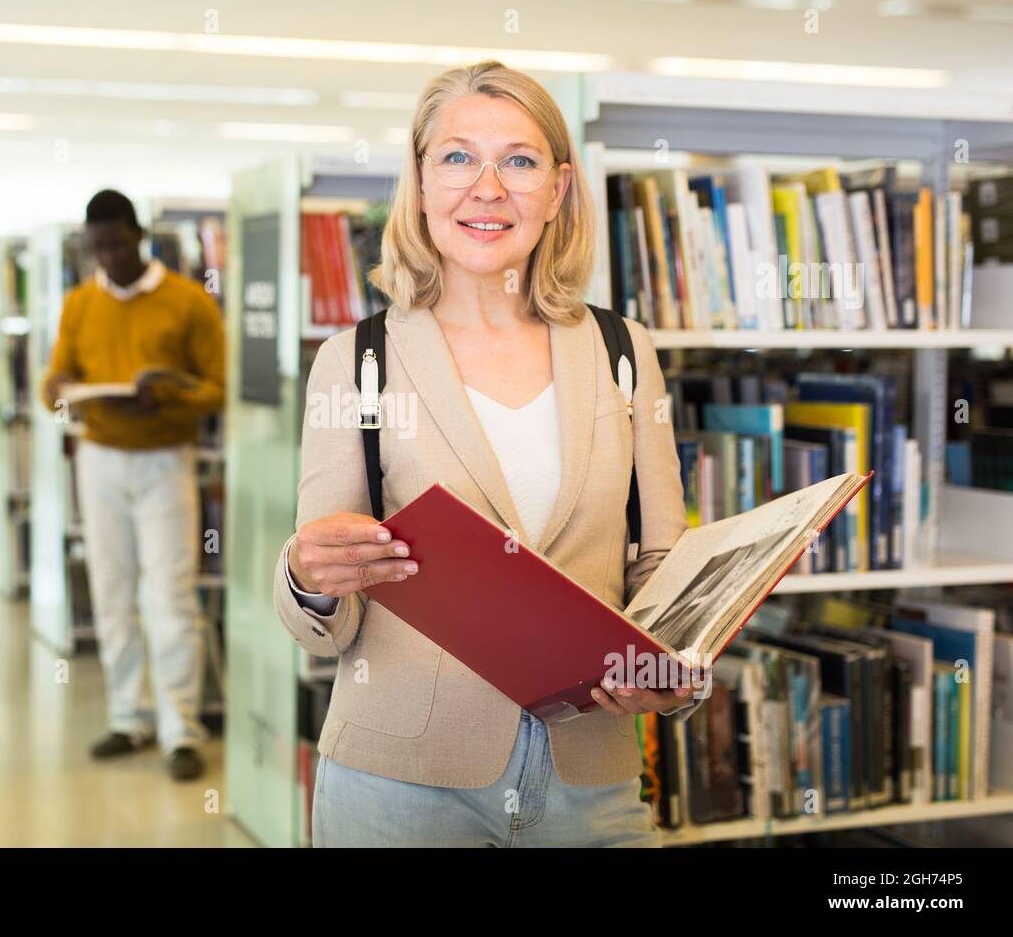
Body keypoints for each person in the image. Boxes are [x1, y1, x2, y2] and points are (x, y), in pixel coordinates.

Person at [275, 61, 705, 847]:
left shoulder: (623, 351)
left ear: (559, 188)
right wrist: (309, 579)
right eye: (457, 157)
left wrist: (665, 680)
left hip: (593, 777)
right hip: (400, 783)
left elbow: (661, 568)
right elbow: (322, 622)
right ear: (419, 179)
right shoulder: (356, 361)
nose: (488, 187)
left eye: (519, 160)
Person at [42, 189, 225, 782]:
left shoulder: (188, 302)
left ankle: (182, 731)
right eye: (99, 249)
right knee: (112, 593)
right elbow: (52, 383)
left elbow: (217, 388)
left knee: (170, 596)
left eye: (118, 244)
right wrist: (65, 388)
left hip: (164, 460)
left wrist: (168, 395)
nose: (110, 258)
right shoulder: (78, 304)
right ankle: (130, 718)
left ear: (139, 235)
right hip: (98, 459)